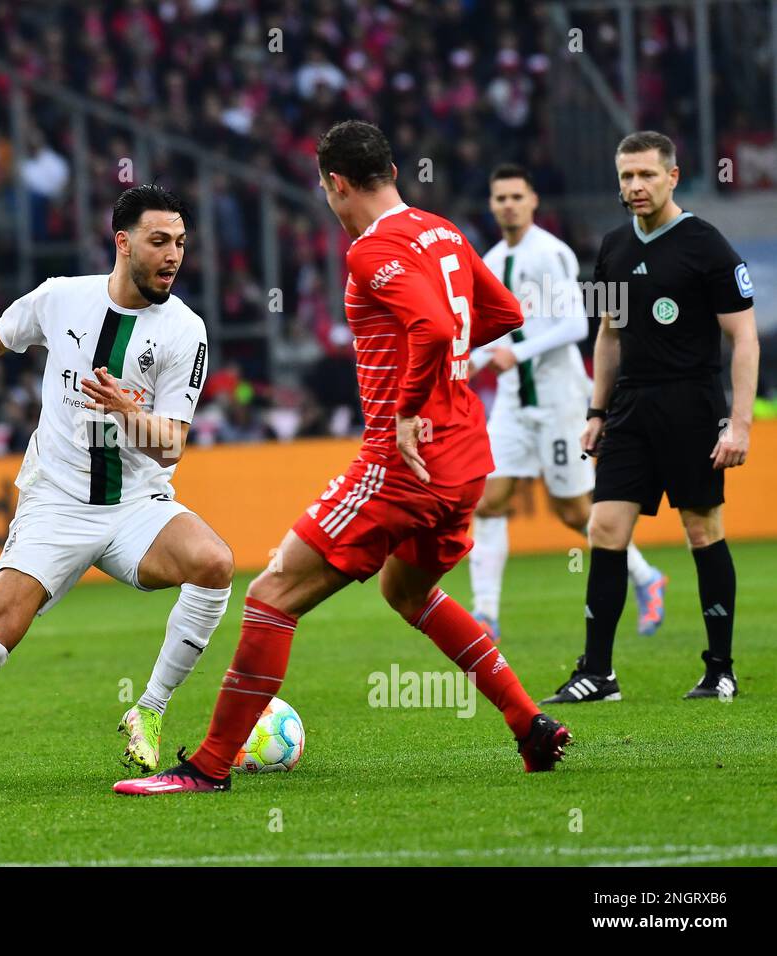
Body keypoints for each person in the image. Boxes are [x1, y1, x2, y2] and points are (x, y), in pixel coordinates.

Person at [115, 120, 572, 796]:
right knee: (406, 591)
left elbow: (434, 325)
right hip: (466, 457)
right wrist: (443, 368)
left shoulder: (371, 250)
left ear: (336, 183)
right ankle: (528, 722)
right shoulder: (442, 232)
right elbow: (502, 313)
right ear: (391, 171)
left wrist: (411, 405)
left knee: (272, 595)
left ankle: (208, 767)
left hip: (403, 461)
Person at [0, 185, 234, 775]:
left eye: (181, 242)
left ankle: (150, 709)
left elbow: (171, 446)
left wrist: (124, 410)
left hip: (136, 505)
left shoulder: (186, 330)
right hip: (57, 503)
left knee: (215, 563)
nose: (174, 255)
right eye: (159, 241)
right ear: (123, 243)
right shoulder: (61, 297)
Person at [544, 131, 758, 704]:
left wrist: (739, 423)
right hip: (630, 408)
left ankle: (720, 669)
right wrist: (596, 410)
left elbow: (744, 337)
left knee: (701, 528)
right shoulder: (613, 247)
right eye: (626, 177)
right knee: (603, 528)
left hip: (691, 403)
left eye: (646, 175)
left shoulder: (706, 245)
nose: (635, 186)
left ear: (672, 176)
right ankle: (598, 673)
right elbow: (608, 336)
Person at [468, 163, 666, 641]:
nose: (509, 205)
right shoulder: (490, 261)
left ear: (533, 201)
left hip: (558, 400)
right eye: (501, 198)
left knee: (575, 512)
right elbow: (495, 333)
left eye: (517, 196)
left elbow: (576, 325)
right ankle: (485, 614)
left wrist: (517, 354)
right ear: (492, 205)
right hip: (513, 403)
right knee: (487, 501)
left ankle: (646, 577)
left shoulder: (550, 253)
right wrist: (471, 360)